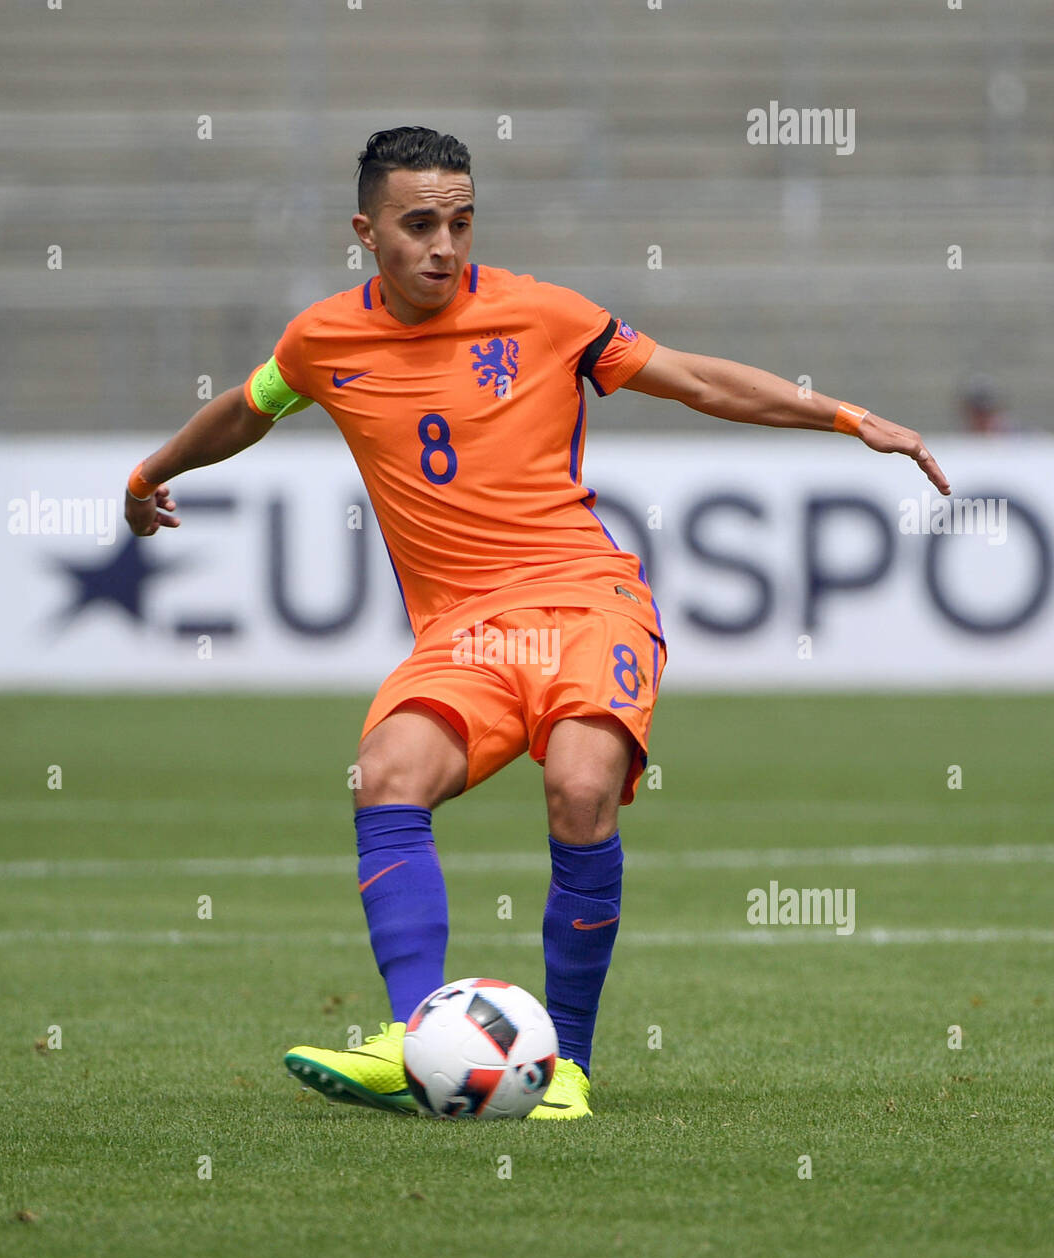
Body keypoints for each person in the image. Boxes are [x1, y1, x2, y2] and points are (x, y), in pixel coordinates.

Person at [125, 126, 950, 1120]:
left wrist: (851, 419)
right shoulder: (322, 341)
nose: (443, 245)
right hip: (464, 633)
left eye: (460, 222)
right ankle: (409, 1035)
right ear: (365, 230)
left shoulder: (545, 315)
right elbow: (249, 408)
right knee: (386, 775)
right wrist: (151, 473)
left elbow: (692, 379)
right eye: (418, 223)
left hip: (584, 602)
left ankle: (569, 1069)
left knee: (579, 786)